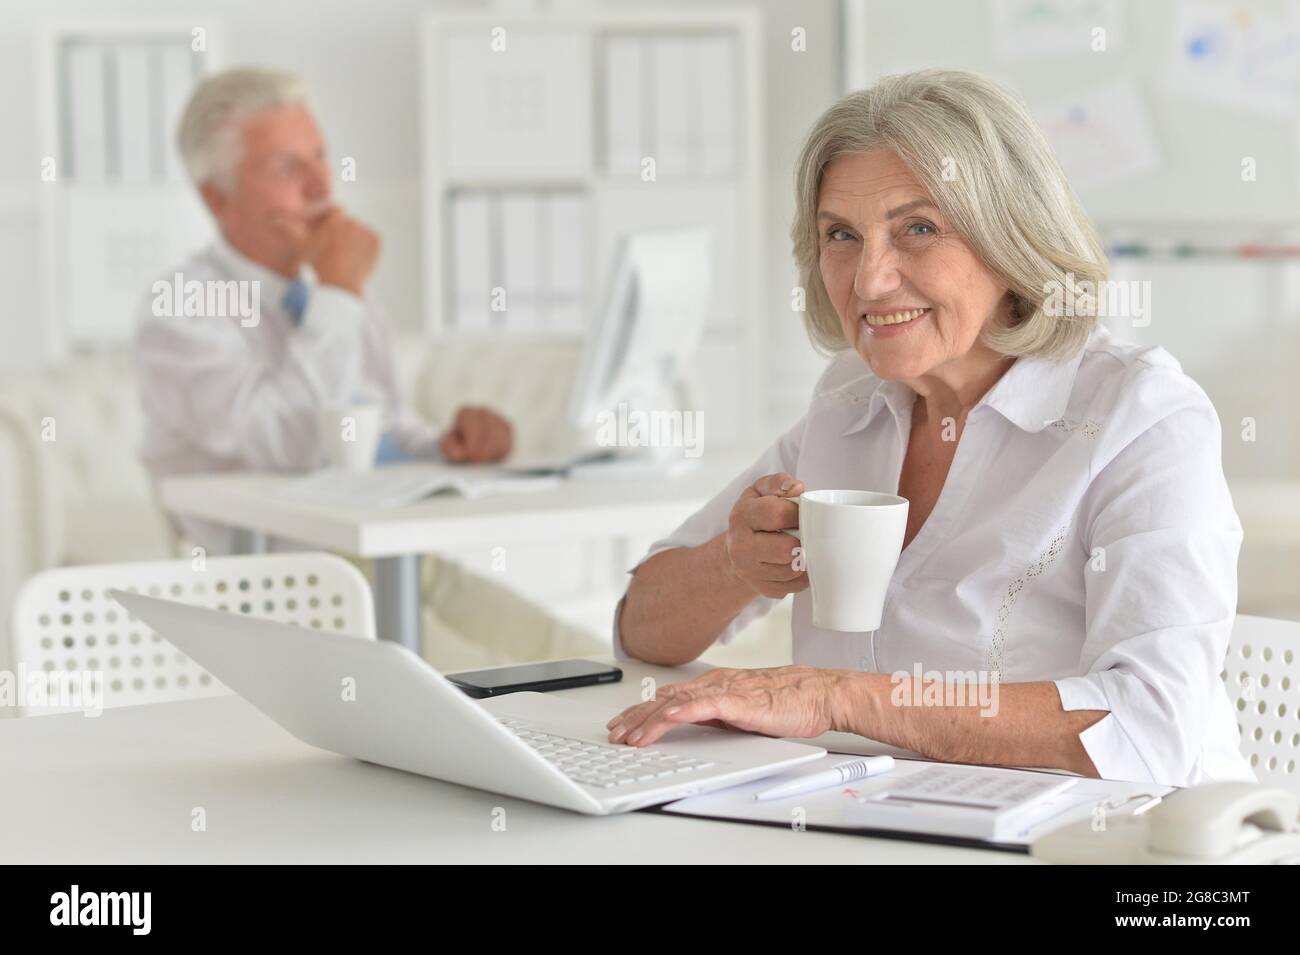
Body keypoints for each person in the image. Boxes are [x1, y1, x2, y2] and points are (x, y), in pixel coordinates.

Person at [605, 69, 1253, 788]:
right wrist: (732, 562)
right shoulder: (850, 402)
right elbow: (641, 628)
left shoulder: (1142, 418)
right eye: (841, 235)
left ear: (1013, 241)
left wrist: (833, 696)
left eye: (919, 228)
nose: (869, 280)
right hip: (881, 821)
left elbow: (1151, 723)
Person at [134, 67, 513, 553]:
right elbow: (291, 445)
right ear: (217, 197)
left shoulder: (332, 291)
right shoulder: (181, 308)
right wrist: (339, 291)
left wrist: (446, 447)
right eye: (286, 168)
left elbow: (377, 427)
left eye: (320, 157)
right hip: (275, 581)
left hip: (378, 553)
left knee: (561, 632)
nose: (320, 186)